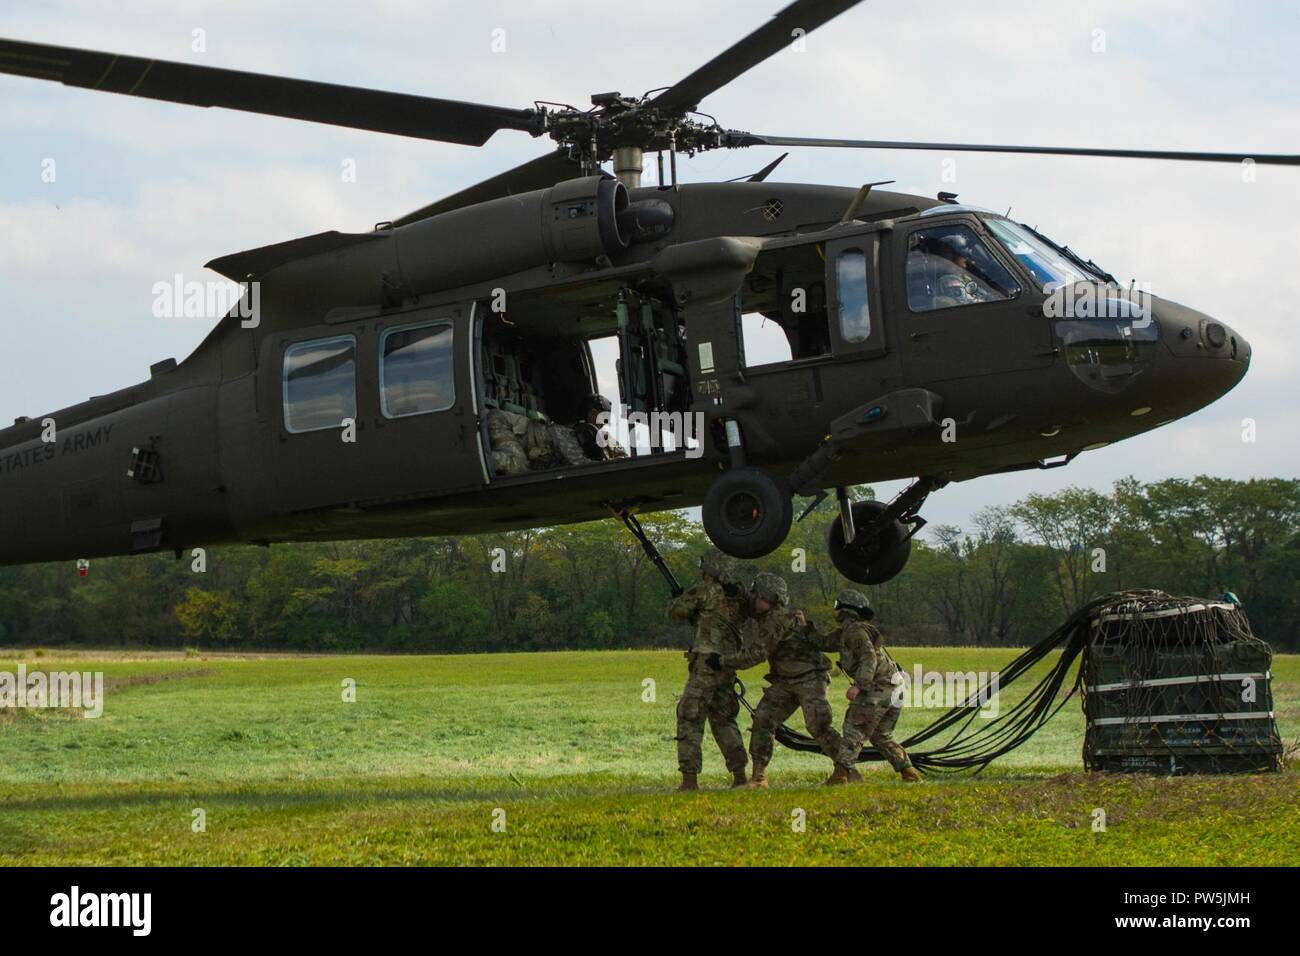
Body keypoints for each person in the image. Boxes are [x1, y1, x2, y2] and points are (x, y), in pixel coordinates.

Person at [720, 572, 843, 789]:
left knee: (818, 725)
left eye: (756, 594)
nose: (753, 598)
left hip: (809, 679)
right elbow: (747, 607)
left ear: (767, 597)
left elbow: (754, 655)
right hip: (785, 681)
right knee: (763, 719)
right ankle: (758, 777)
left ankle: (845, 770)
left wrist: (721, 661)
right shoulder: (770, 616)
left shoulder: (775, 619)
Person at [666, 549, 749, 791]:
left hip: (706, 665)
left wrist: (677, 598)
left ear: (710, 571)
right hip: (727, 665)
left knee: (689, 715)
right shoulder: (740, 597)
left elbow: (675, 612)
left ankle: (689, 780)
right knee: (723, 719)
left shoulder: (706, 590)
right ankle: (740, 776)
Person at [819, 589, 921, 784]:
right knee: (879, 735)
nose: (835, 610)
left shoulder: (855, 632)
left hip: (878, 688)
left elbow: (869, 657)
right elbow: (823, 642)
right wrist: (804, 627)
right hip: (894, 688)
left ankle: (840, 776)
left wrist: (860, 685)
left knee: (854, 728)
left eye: (837, 606)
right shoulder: (848, 633)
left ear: (847, 609)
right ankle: (909, 773)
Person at [575, 394, 627, 461]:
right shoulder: (565, 435)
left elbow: (625, 461)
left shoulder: (607, 438)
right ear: (593, 413)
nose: (604, 424)